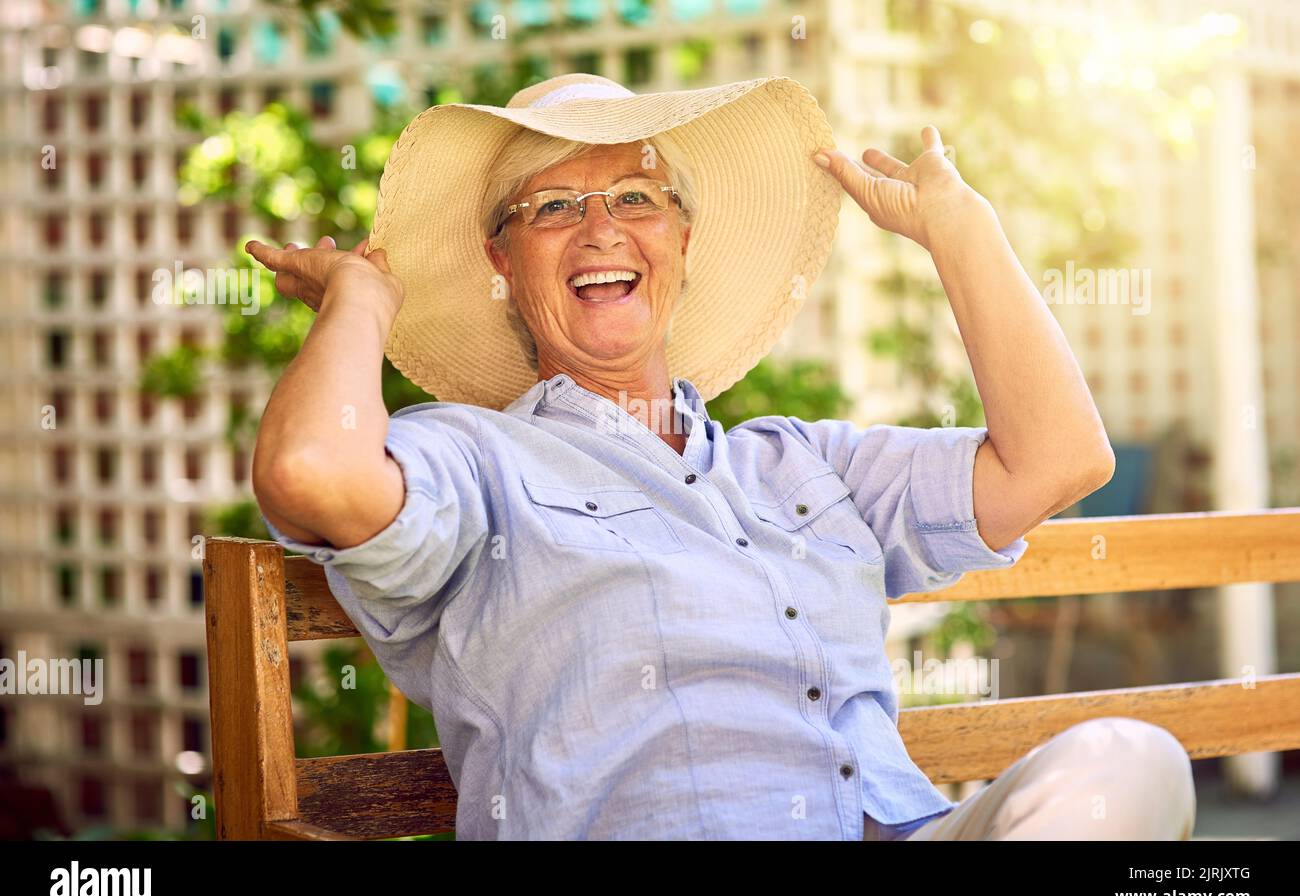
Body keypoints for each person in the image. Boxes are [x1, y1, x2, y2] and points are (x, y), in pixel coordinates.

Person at [247, 73, 1193, 840]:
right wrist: (364, 303)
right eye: (554, 207)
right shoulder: (474, 462)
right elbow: (309, 474)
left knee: (1126, 765)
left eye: (634, 196)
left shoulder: (798, 464)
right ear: (502, 262)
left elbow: (1060, 460)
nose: (601, 227)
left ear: (683, 239)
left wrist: (959, 227)